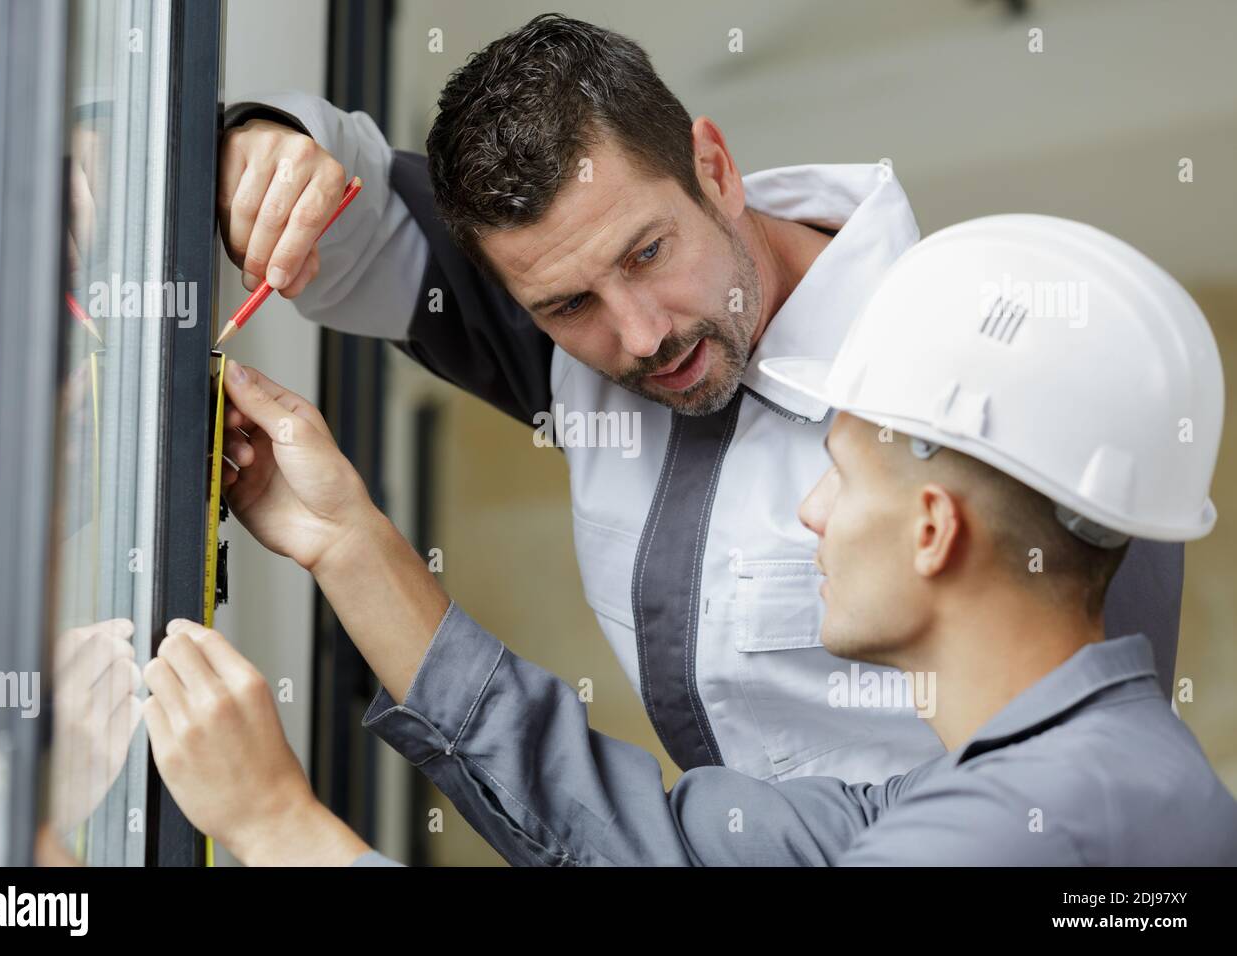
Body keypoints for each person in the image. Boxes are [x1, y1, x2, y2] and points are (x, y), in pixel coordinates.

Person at [211, 13, 1184, 790]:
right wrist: (262, 149)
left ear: (714, 168)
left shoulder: (984, 385)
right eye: (567, 303)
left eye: (647, 253)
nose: (638, 336)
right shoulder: (570, 327)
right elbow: (358, 219)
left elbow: (1076, 759)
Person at [142, 214, 1236, 865]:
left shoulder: (1002, 835)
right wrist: (346, 541)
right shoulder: (1049, 785)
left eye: (836, 473)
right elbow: (639, 843)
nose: (808, 510)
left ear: (931, 528)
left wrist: (282, 827)